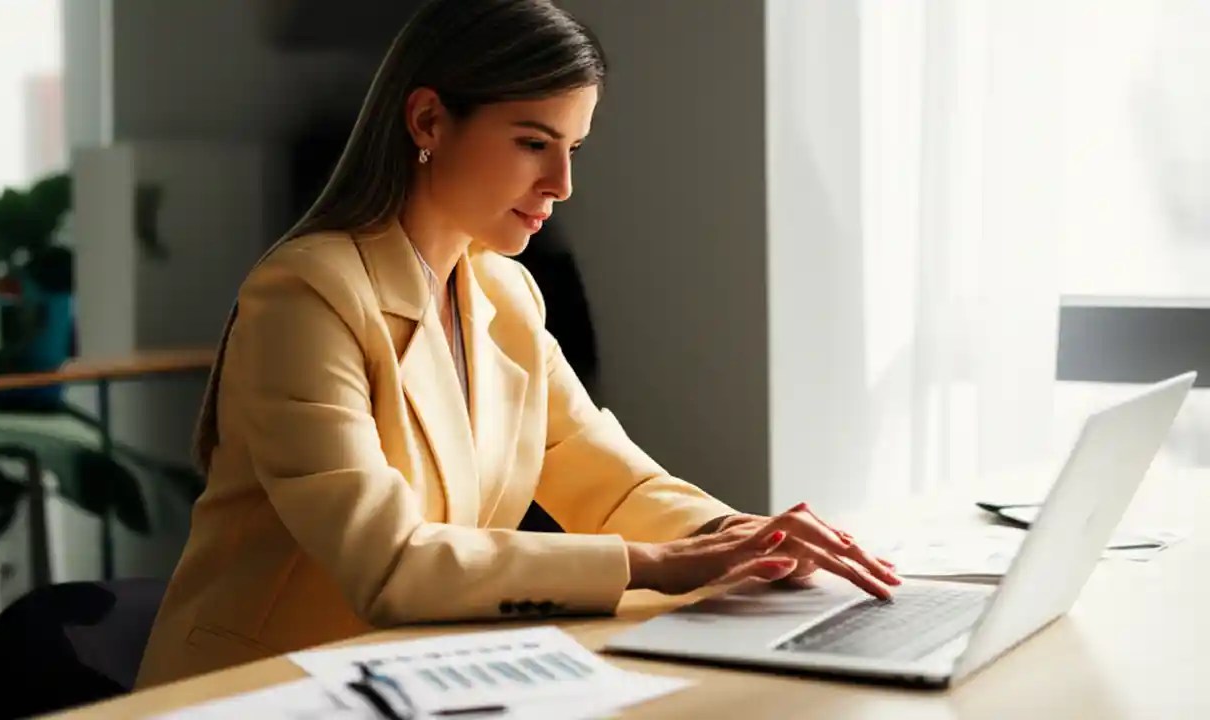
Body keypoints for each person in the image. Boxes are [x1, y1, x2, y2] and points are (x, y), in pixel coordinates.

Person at [135, 0, 899, 689]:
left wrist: (734, 536)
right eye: (535, 142)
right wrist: (659, 565)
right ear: (429, 122)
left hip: (411, 677)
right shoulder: (306, 296)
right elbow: (390, 563)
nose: (562, 182)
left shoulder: (502, 292)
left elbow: (605, 477)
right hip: (258, 691)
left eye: (573, 147)